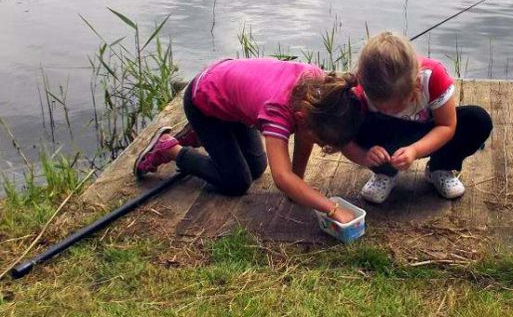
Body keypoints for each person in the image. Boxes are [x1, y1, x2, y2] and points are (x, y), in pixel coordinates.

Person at [134, 57, 363, 224]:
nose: (320, 146)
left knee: (257, 167)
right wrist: (331, 209)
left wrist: (298, 186)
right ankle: (170, 147)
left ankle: (201, 135)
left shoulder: (320, 95)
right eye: (321, 142)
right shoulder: (277, 111)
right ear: (302, 119)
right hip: (203, 101)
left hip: (230, 101)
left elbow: (305, 139)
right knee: (236, 182)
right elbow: (282, 178)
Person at [341, 32, 493, 203]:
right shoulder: (358, 90)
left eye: (397, 105)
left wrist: (415, 150)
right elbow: (343, 140)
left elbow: (446, 125)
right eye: (381, 106)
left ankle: (440, 167)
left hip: (428, 129)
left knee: (478, 120)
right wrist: (364, 156)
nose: (389, 110)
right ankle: (384, 172)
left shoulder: (433, 76)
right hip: (385, 134)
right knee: (353, 123)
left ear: (415, 86)